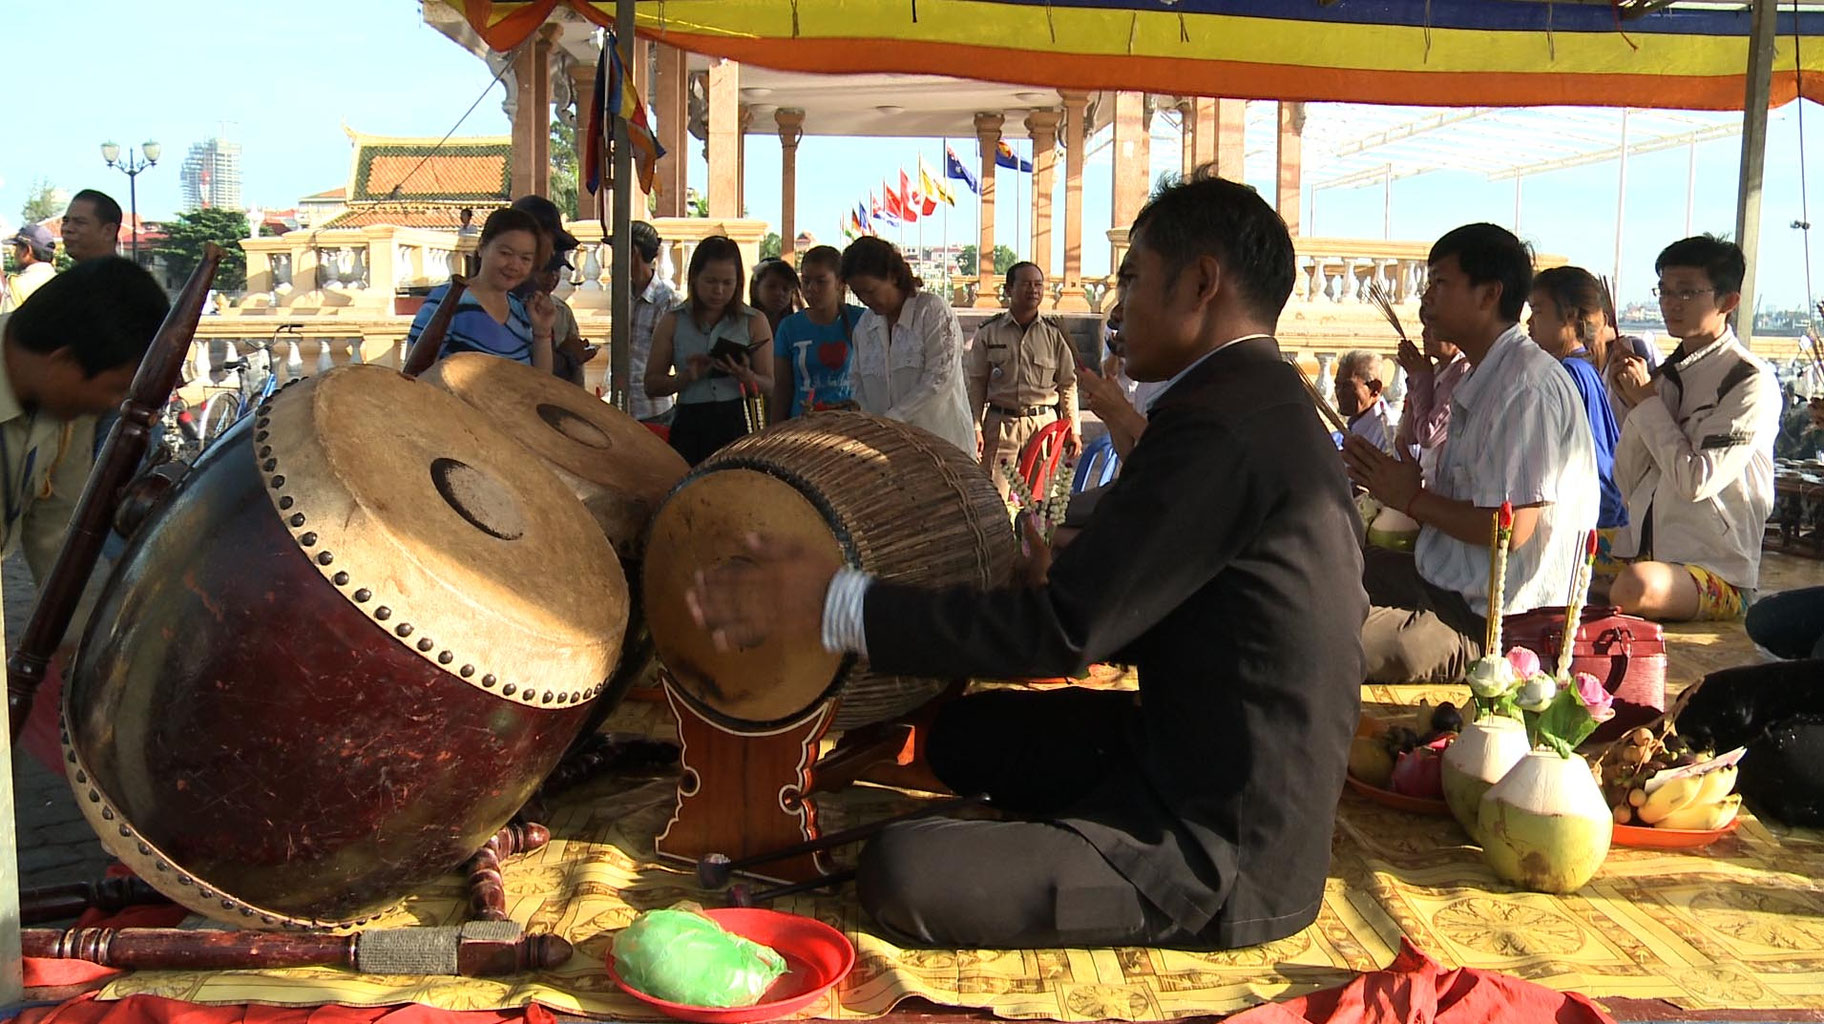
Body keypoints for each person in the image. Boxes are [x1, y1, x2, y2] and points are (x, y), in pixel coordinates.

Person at [685, 175, 1366, 950]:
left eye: (1134, 278)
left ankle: (1103, 861)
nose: (1119, 304)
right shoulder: (1255, 402)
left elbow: (1061, 634)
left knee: (900, 869)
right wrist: (1071, 580)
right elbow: (1192, 614)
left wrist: (833, 603)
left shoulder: (1222, 425)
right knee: (965, 736)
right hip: (1191, 751)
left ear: (1202, 282)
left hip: (1221, 847)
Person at [1343, 224, 1598, 684]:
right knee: (1326, 568)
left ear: (1489, 294)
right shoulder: (1484, 377)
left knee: (1322, 635)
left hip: (1493, 625)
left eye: (1440, 282)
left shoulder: (1526, 388)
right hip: (1442, 583)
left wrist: (1412, 499)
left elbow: (1511, 530)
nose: (1426, 298)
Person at [1602, 236, 1781, 622]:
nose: (1670, 304)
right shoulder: (1665, 378)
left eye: (1686, 293)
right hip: (1649, 554)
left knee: (1637, 585)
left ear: (1728, 302)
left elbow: (1696, 481)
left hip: (1716, 573)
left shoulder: (1747, 381)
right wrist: (1631, 402)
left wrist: (1647, 404)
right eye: (1664, 291)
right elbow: (1628, 481)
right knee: (1560, 551)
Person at [0, 257, 168, 591]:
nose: (114, 405)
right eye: (116, 389)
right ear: (63, 362)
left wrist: (79, 635)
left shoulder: (64, 413)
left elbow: (58, 532)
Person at [644, 236, 773, 465]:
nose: (719, 291)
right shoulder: (673, 320)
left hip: (738, 419)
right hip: (690, 423)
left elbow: (771, 385)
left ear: (738, 283)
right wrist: (685, 378)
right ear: (694, 278)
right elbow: (652, 385)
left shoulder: (753, 321)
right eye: (711, 281)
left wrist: (745, 376)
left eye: (727, 283)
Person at [840, 237, 974, 455]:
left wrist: (894, 419)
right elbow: (856, 380)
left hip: (942, 445)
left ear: (893, 277)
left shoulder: (932, 311)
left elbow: (940, 378)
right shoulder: (865, 325)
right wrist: (871, 422)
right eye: (858, 294)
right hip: (886, 449)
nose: (865, 300)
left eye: (871, 291)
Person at [1526, 266, 1627, 537]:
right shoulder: (1582, 368)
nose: (1529, 323)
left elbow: (1592, 455)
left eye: (1537, 311)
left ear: (1569, 316)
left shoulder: (1568, 374)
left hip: (1591, 524)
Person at [966, 262, 1081, 492]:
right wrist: (975, 426)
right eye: (1026, 284)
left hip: (1043, 425)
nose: (1033, 290)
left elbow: (1068, 385)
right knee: (994, 497)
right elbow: (976, 383)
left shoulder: (1054, 334)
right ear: (1008, 290)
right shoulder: (990, 332)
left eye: (1038, 284)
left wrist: (1074, 429)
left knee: (1039, 503)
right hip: (1001, 425)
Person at [403, 208, 554, 371]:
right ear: (481, 248)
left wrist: (542, 333)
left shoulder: (520, 311)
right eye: (505, 253)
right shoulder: (447, 300)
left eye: (525, 258)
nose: (515, 265)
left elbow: (541, 384)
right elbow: (414, 375)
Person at [770, 245, 863, 419]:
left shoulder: (861, 320)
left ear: (839, 283)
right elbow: (782, 387)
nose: (811, 289)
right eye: (806, 281)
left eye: (821, 281)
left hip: (851, 424)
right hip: (803, 426)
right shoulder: (789, 327)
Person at [1393, 308, 1470, 485]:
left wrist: (1421, 380)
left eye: (1433, 326)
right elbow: (1410, 436)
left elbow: (1428, 436)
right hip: (1430, 482)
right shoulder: (1433, 371)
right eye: (1424, 326)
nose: (1424, 333)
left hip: (1449, 489)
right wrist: (1415, 378)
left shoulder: (1461, 373)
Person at [628, 221, 679, 425]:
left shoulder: (667, 300)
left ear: (633, 252)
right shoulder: (621, 295)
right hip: (622, 409)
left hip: (654, 412)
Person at [535, 254, 592, 386]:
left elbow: (577, 371)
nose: (552, 277)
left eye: (557, 270)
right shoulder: (514, 307)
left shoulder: (562, 311)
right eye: (546, 270)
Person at [1333, 349, 1391, 451]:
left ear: (1375, 388)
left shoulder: (1388, 434)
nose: (1339, 393)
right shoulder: (1351, 429)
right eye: (1337, 385)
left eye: (1348, 387)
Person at [2, 225, 58, 313]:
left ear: (27, 251)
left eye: (17, 248)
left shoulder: (17, 285)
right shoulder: (62, 282)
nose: (15, 253)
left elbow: (6, 323)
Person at [61, 190, 122, 262]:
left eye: (79, 222)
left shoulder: (127, 273)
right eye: (65, 221)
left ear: (109, 231)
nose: (67, 228)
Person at [749, 257, 802, 337]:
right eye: (771, 286)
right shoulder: (743, 326)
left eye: (786, 289)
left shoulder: (797, 328)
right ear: (755, 288)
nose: (779, 293)